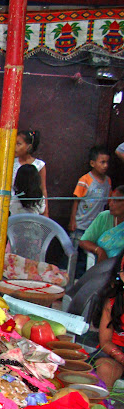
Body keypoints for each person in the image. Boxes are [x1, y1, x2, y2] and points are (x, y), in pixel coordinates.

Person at [70, 145, 112, 278]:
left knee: (87, 257)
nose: (105, 166)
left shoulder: (108, 181)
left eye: (107, 162)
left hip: (95, 227)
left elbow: (108, 202)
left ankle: (81, 279)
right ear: (92, 163)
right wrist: (73, 220)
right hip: (81, 224)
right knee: (74, 254)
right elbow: (76, 200)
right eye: (102, 162)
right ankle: (70, 279)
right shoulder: (85, 180)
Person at [91, 251, 124, 389]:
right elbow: (105, 341)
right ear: (121, 275)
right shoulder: (112, 302)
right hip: (114, 352)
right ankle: (102, 406)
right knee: (105, 368)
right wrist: (121, 358)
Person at [79, 186, 124, 263]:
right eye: (111, 199)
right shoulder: (104, 217)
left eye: (116, 201)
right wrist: (99, 250)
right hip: (103, 267)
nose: (110, 204)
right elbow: (84, 241)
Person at [12, 130, 48, 217]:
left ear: (29, 146)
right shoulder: (11, 164)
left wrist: (46, 213)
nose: (14, 147)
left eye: (18, 144)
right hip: (13, 207)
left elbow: (43, 188)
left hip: (32, 209)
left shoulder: (39, 165)